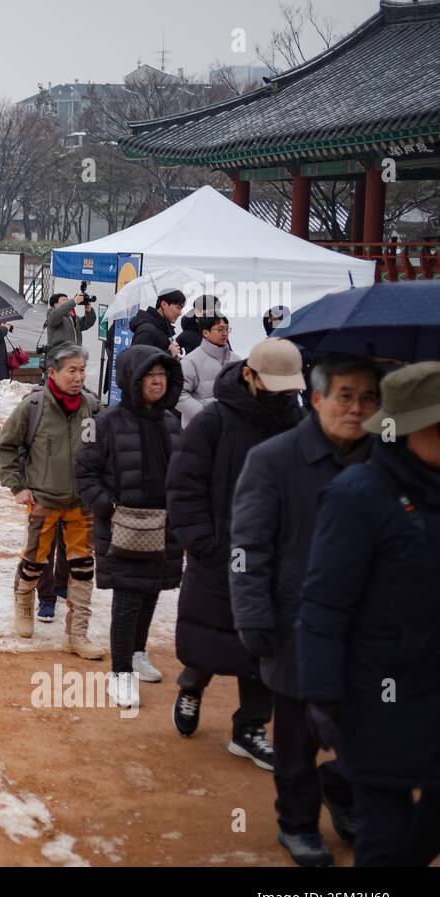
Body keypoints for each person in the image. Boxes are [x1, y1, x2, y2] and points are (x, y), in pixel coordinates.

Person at [230, 355, 380, 867]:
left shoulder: (385, 460)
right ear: (315, 399)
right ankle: (296, 823)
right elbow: (247, 545)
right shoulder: (275, 459)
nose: (356, 408)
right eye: (344, 395)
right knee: (295, 740)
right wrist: (252, 616)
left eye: (367, 398)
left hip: (368, 626)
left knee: (374, 727)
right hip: (294, 622)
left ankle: (341, 789)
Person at [297, 362, 440, 867]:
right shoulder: (360, 494)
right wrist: (320, 694)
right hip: (377, 696)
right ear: (409, 429)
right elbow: (323, 603)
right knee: (385, 833)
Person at [166, 339, 305, 770]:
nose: (282, 394)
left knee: (264, 641)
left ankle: (250, 728)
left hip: (272, 555)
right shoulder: (213, 421)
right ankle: (191, 685)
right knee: (209, 634)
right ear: (249, 375)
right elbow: (184, 486)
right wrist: (202, 542)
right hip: (218, 551)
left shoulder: (295, 421)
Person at [76, 346, 184, 708]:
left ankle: (138, 653)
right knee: (127, 598)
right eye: (149, 375)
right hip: (123, 525)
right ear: (132, 380)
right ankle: (120, 673)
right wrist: (110, 506)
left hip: (163, 526)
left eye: (162, 375)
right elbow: (84, 472)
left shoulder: (171, 421)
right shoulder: (105, 422)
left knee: (151, 590)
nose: (157, 381)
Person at [0, 344, 103, 659]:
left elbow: (104, 453)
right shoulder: (33, 407)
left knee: (83, 569)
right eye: (71, 370)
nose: (78, 376)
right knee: (34, 561)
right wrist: (17, 486)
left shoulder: (92, 408)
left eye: (82, 370)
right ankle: (24, 602)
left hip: (81, 505)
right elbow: (6, 447)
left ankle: (76, 634)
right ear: (52, 373)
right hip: (43, 500)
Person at [176, 309, 238, 426]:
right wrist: (204, 414)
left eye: (226, 329)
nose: (225, 333)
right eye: (220, 329)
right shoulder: (191, 361)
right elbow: (178, 394)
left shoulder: (235, 360)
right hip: (199, 428)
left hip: (230, 427)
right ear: (205, 333)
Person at [129, 289, 185, 358]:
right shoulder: (147, 330)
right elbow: (139, 360)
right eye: (178, 308)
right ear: (164, 304)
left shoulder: (163, 329)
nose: (180, 313)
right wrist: (169, 353)